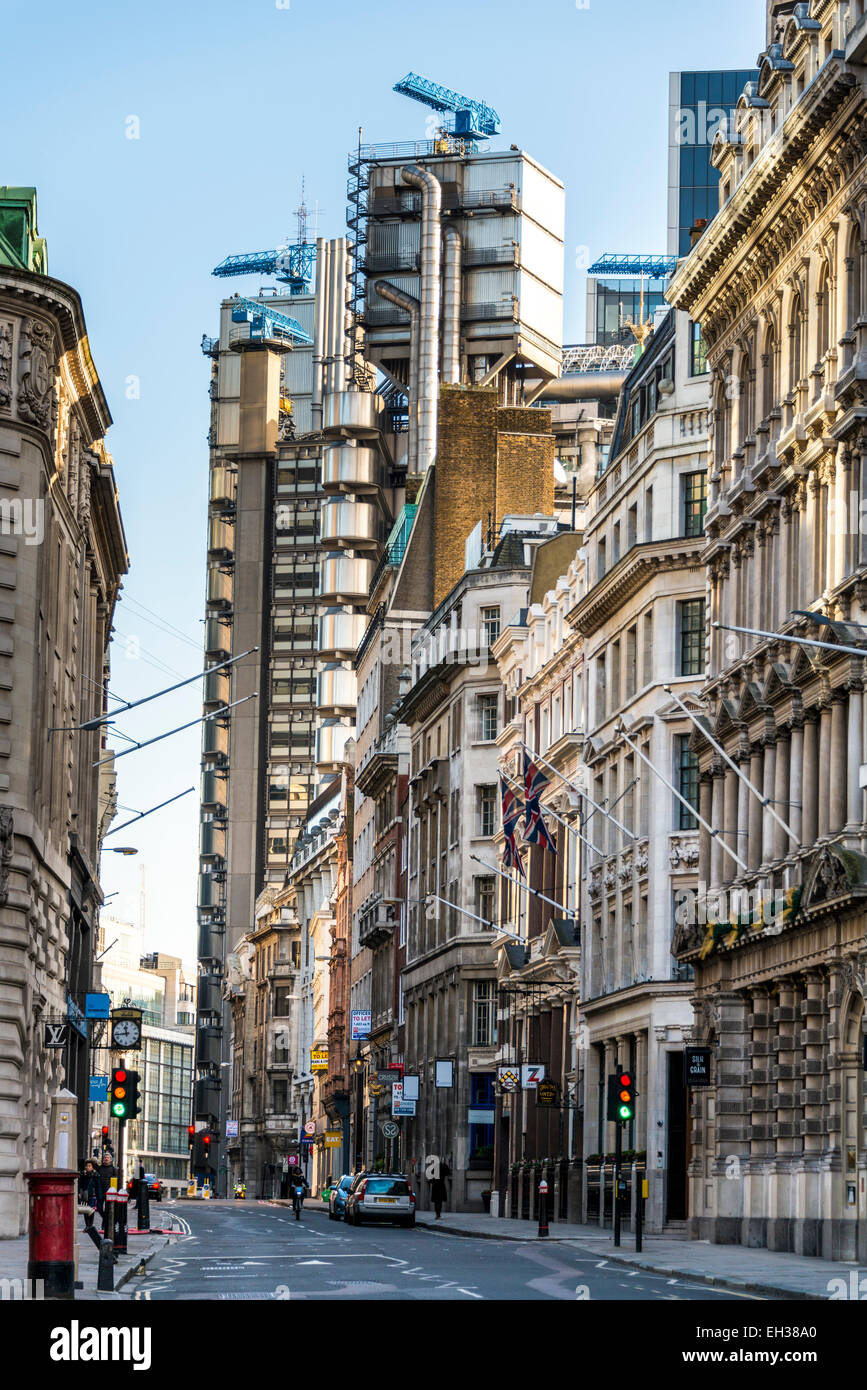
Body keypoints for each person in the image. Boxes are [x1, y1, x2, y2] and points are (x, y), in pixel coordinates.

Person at [97, 1151, 117, 1227]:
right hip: (100, 1191)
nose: (106, 1159)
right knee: (99, 1208)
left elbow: (116, 1181)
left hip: (109, 1192)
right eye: (105, 1157)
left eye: (107, 1157)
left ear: (110, 1159)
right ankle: (105, 1220)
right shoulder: (100, 1168)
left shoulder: (113, 1169)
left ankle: (104, 1224)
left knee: (107, 1209)